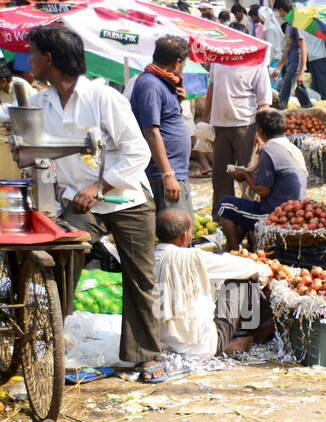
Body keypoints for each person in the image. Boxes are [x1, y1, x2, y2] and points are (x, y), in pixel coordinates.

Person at [26, 24, 163, 382]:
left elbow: (138, 152)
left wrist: (99, 186)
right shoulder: (41, 102)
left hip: (126, 197)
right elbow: (19, 131)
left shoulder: (105, 99)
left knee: (139, 277)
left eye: (32, 53)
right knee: (62, 256)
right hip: (81, 203)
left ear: (49, 58)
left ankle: (146, 355)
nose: (28, 59)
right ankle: (52, 336)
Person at [153, 209, 272, 357]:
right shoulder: (193, 258)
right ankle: (256, 334)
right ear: (184, 236)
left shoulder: (147, 260)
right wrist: (265, 271)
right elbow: (249, 268)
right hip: (202, 347)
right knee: (241, 278)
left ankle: (247, 334)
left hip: (161, 343)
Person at [216, 107, 307, 250]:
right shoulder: (290, 147)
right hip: (295, 209)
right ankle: (235, 246)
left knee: (225, 205)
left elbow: (263, 191)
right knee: (243, 206)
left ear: (261, 132)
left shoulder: (269, 150)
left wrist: (245, 176)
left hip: (275, 213)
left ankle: (233, 250)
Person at [129, 35, 193, 224]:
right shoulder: (150, 84)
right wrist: (168, 174)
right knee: (175, 232)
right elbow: (151, 131)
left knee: (183, 230)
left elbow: (166, 119)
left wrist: (178, 99)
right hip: (162, 175)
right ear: (177, 63)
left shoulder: (163, 82)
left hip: (175, 171)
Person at [201, 56, 271, 218]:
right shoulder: (217, 60)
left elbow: (264, 102)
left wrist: (260, 133)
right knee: (220, 176)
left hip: (246, 125)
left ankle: (251, 217)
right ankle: (222, 217)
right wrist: (205, 119)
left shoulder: (256, 61)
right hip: (220, 126)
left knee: (248, 173)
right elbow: (212, 87)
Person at [270, 0, 311, 109]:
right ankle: (309, 109)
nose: (279, 15)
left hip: (296, 66)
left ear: (282, 10)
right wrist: (278, 67)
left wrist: (301, 72)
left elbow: (303, 48)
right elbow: (287, 48)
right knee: (300, 91)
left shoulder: (296, 24)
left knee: (284, 94)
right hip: (290, 64)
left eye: (279, 12)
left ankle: (281, 114)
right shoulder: (289, 25)